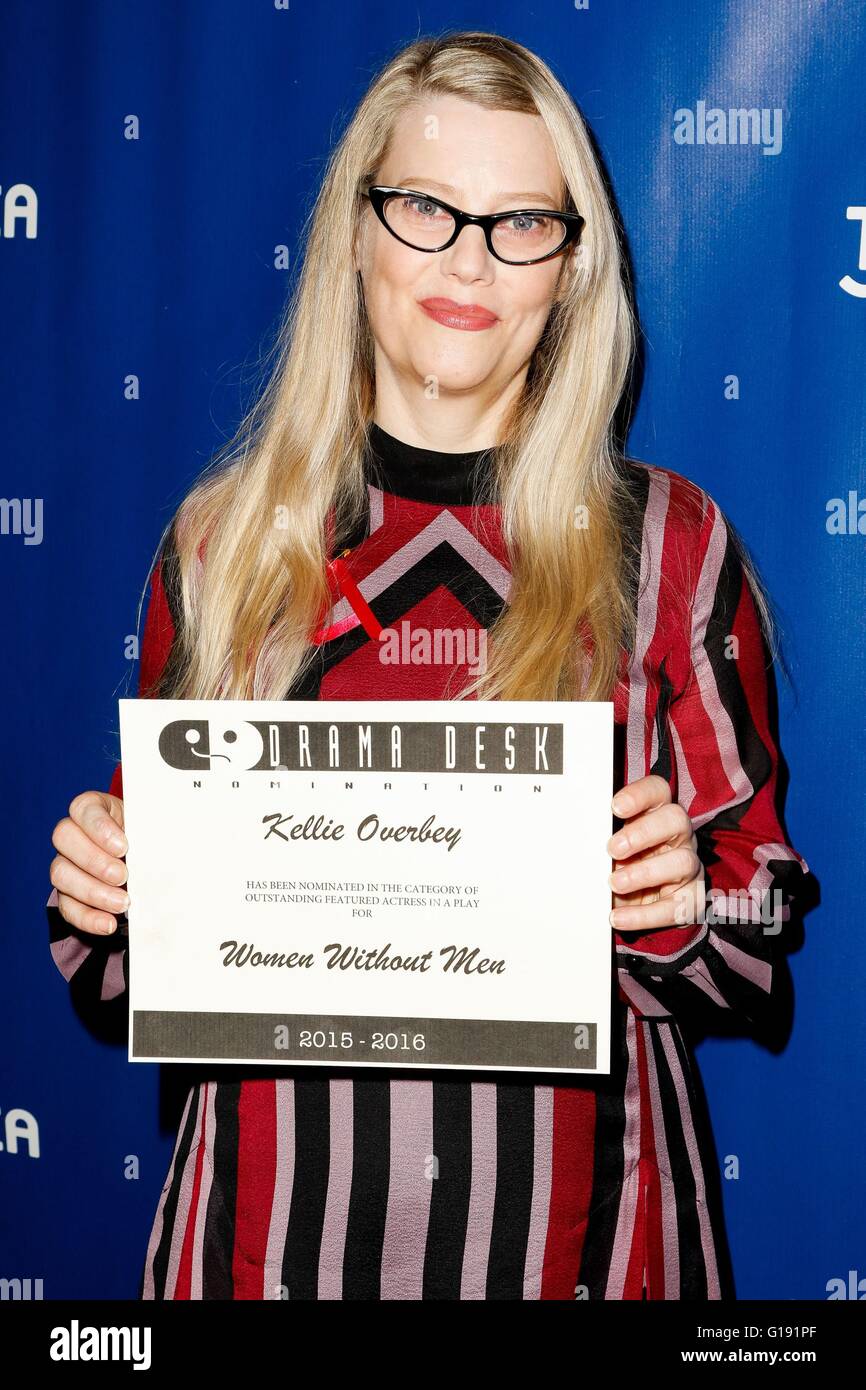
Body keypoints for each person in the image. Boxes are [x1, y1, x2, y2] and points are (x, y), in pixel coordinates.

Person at [46, 30, 810, 1300]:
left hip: (593, 1258)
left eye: (520, 222)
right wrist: (106, 899)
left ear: (571, 268)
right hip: (256, 1254)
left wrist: (684, 902)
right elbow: (138, 980)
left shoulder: (669, 544)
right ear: (353, 232)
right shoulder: (220, 541)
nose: (467, 258)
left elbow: (764, 917)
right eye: (424, 209)